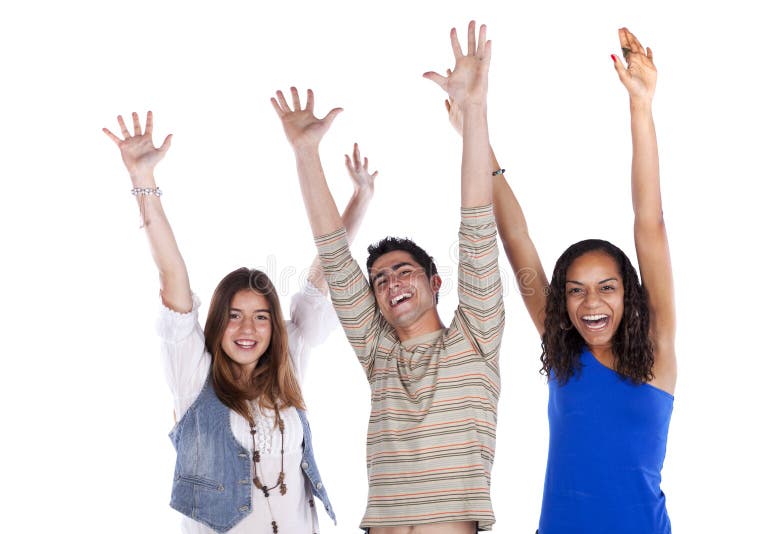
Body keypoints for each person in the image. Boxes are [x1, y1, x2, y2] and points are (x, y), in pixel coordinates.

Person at [272, 21, 503, 533]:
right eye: (379, 280)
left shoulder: (476, 338)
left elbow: (477, 225)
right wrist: (306, 154)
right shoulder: (379, 355)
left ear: (435, 282)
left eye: (403, 272)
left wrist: (475, 109)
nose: (391, 282)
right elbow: (334, 254)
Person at [444, 27, 675, 533]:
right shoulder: (564, 351)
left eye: (606, 287)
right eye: (575, 289)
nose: (590, 302)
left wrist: (641, 105)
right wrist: (474, 135)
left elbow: (649, 221)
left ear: (629, 295)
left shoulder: (657, 350)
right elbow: (517, 239)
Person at [103, 111, 377, 533]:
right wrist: (143, 181)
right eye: (234, 316)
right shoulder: (193, 376)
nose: (248, 329)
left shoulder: (289, 370)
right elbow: (172, 275)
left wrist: (360, 199)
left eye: (261, 317)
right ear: (217, 323)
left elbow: (325, 272)